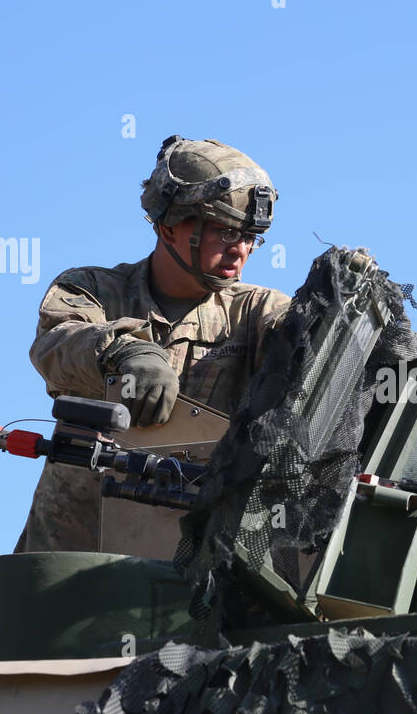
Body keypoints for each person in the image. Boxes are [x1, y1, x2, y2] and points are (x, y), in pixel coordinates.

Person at [15, 135, 290, 552]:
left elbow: (302, 343)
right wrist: (124, 350)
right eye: (225, 231)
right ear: (168, 226)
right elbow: (57, 343)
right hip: (72, 555)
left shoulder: (256, 311)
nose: (241, 250)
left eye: (251, 236)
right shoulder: (92, 289)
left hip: (188, 562)